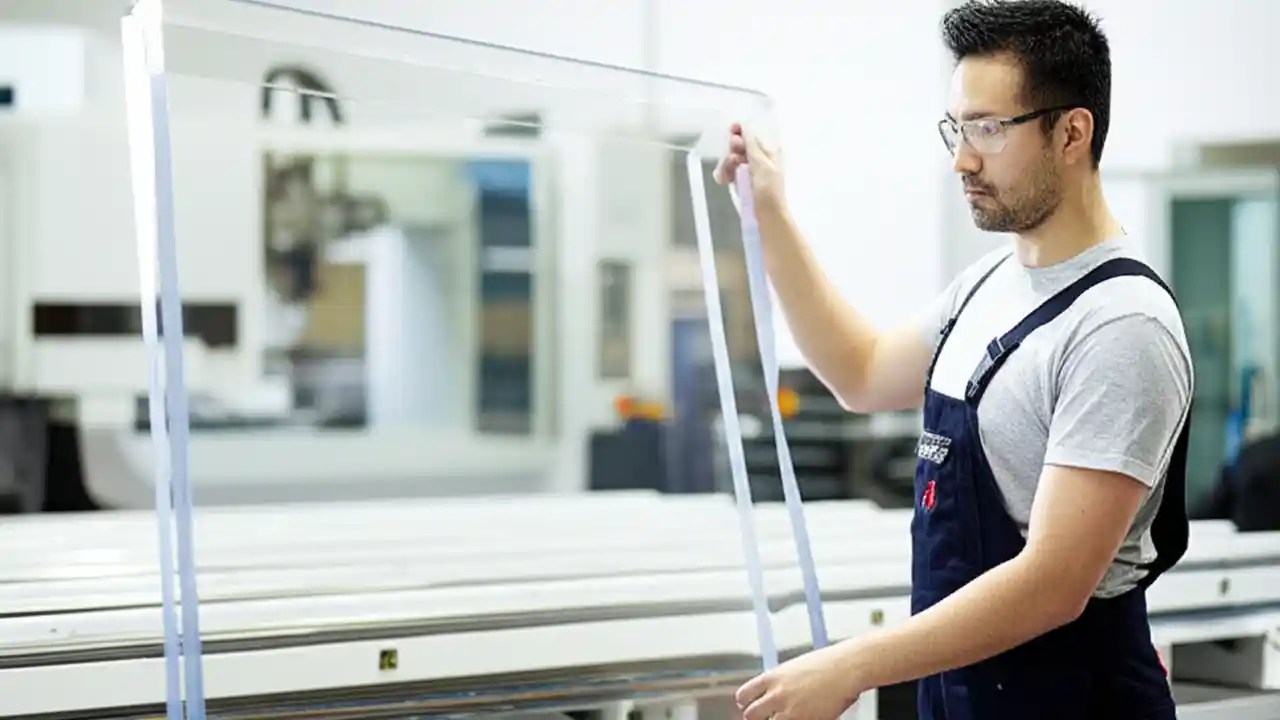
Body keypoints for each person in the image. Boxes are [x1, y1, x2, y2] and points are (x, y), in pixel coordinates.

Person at [715, 1, 1194, 718]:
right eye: (957, 127)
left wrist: (852, 666)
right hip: (968, 693)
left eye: (989, 129)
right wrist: (771, 214)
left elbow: (1053, 584)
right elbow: (861, 370)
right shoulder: (989, 285)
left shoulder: (1121, 325)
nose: (963, 158)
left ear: (1072, 131)